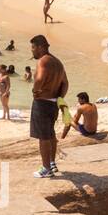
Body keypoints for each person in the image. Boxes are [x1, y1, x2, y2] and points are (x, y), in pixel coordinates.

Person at [29, 34, 68, 177]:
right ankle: (52, 163)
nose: (32, 51)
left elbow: (39, 79)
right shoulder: (58, 63)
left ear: (40, 47)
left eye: (33, 48)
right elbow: (65, 83)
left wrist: (35, 91)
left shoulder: (43, 61)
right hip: (53, 104)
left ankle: (46, 168)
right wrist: (59, 98)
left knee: (43, 137)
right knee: (50, 134)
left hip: (42, 103)